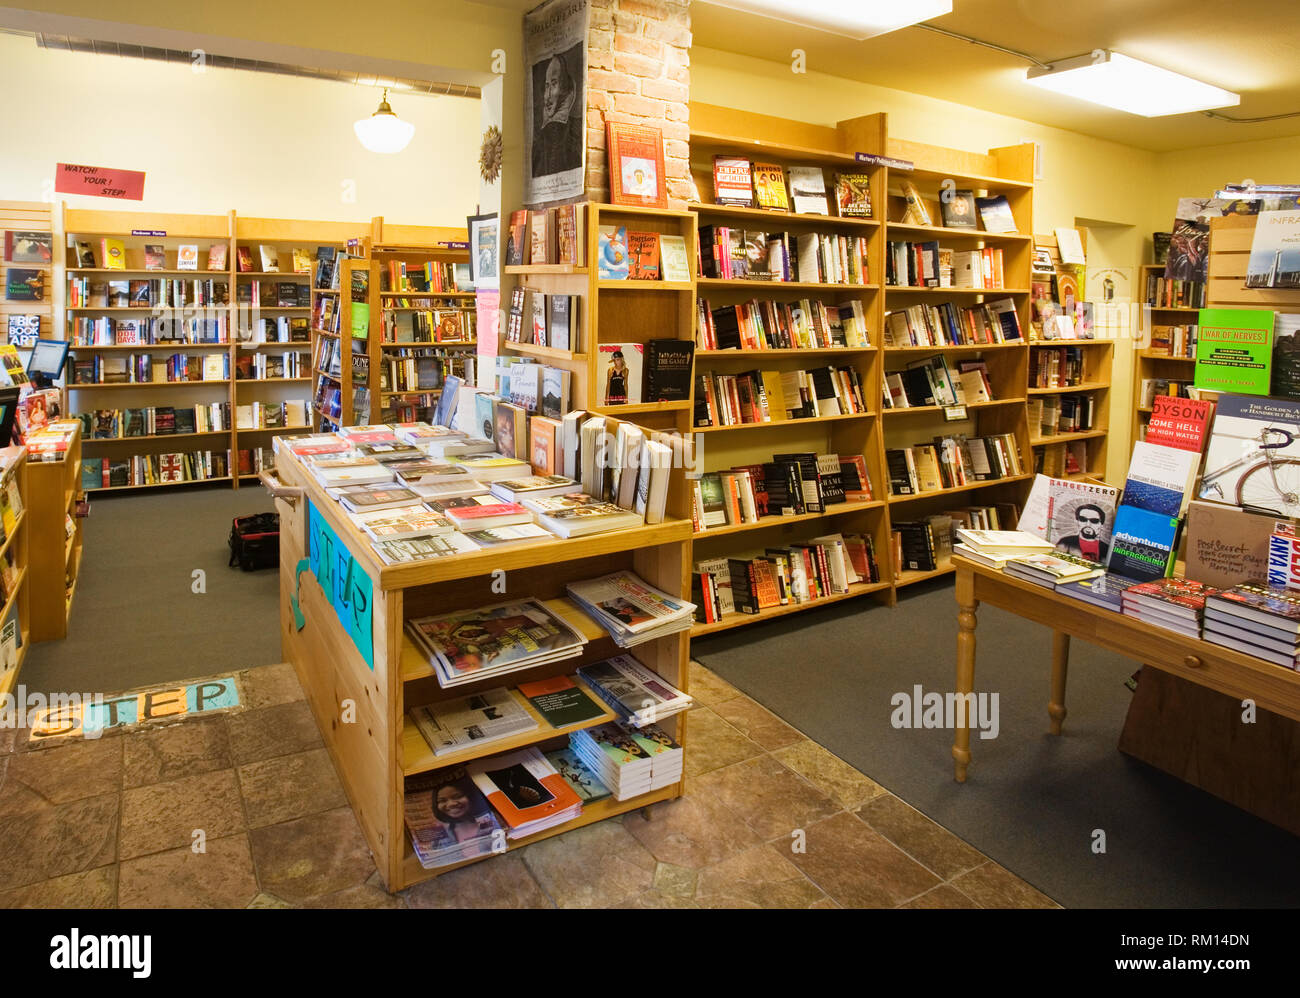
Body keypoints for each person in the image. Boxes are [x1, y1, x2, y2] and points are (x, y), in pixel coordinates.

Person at [531, 53, 582, 178]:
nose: (547, 96)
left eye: (554, 84)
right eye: (546, 85)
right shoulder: (539, 140)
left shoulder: (576, 130)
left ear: (565, 88)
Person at [428, 778, 496, 845]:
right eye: (442, 801)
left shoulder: (495, 821)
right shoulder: (439, 839)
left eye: (458, 796)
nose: (451, 804)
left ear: (471, 796)